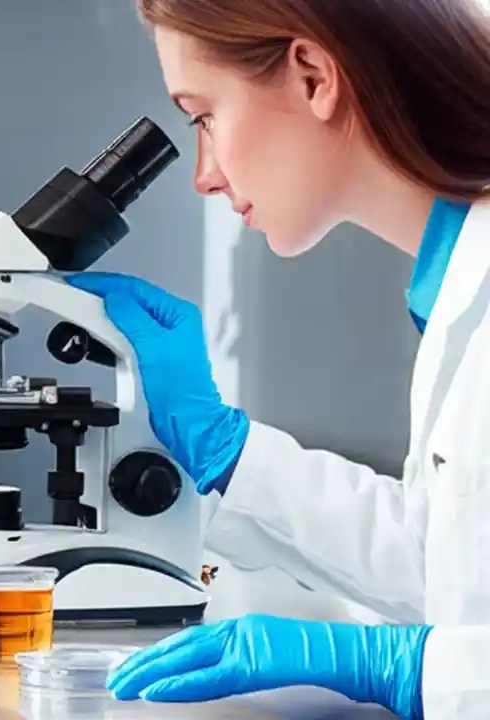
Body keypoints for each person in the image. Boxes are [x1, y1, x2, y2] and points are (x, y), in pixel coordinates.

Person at [63, 1, 490, 718]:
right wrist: (224, 447)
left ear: (315, 77)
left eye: (203, 117)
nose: (203, 175)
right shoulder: (455, 291)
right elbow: (451, 566)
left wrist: (405, 666)